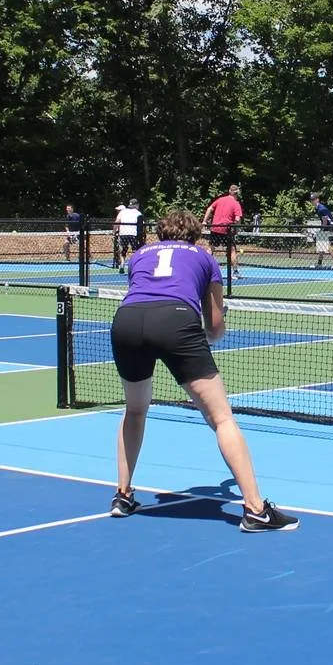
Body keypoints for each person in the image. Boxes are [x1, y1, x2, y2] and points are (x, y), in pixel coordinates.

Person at [106, 209, 296, 532]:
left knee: (135, 410)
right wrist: (206, 334)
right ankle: (255, 510)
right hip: (176, 320)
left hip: (126, 322)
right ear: (195, 234)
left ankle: (122, 495)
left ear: (161, 232)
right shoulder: (205, 258)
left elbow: (144, 295)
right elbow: (215, 327)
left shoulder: (139, 255)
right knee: (222, 419)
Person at [205, 182, 244, 279]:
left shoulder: (220, 199)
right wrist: (236, 229)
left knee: (211, 249)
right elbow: (237, 219)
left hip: (215, 228)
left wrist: (204, 221)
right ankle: (235, 272)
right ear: (237, 193)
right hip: (227, 230)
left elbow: (210, 208)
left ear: (229, 191)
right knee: (232, 250)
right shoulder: (236, 204)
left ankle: (205, 269)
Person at [311, 193, 333, 268]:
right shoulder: (318, 208)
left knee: (327, 245)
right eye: (311, 200)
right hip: (328, 228)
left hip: (332, 227)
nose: (312, 201)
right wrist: (321, 231)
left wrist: (321, 231)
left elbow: (325, 221)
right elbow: (323, 222)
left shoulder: (321, 209)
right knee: (321, 244)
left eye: (314, 199)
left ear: (317, 199)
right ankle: (319, 263)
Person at [112, 198, 142, 266]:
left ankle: (122, 265)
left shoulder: (122, 212)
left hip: (123, 233)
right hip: (133, 234)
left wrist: (114, 232)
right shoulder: (138, 213)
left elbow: (117, 221)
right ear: (136, 205)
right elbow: (141, 225)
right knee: (135, 250)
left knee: (123, 250)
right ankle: (134, 264)